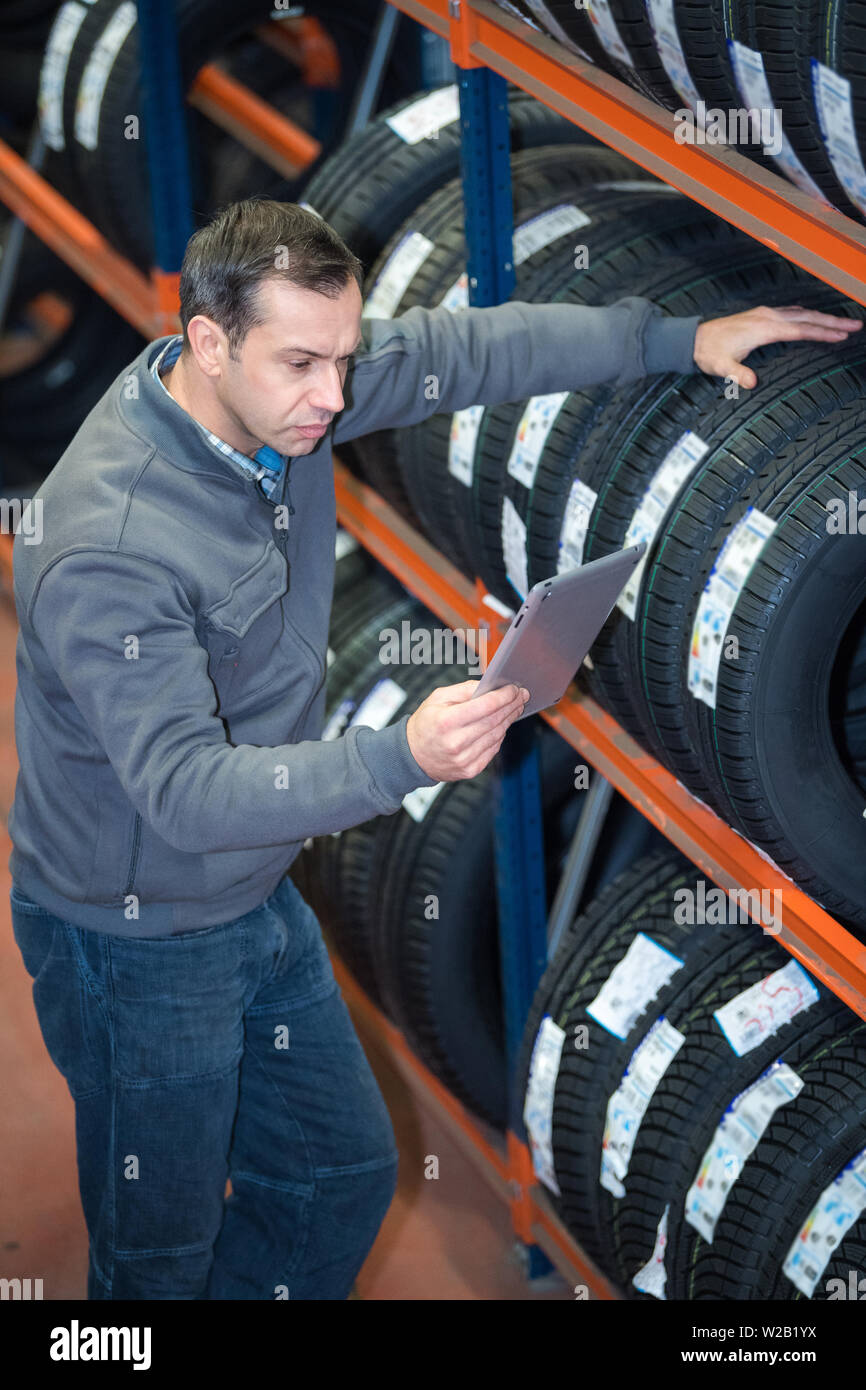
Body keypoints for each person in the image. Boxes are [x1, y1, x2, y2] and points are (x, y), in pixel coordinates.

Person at [7, 197, 861, 1301]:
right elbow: (182, 793)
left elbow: (460, 351)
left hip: (250, 894)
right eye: (303, 364)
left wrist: (668, 340)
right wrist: (396, 754)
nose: (333, 397)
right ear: (209, 343)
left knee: (338, 1172)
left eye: (344, 359)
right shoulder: (111, 548)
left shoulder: (272, 398)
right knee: (157, 1257)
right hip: (135, 941)